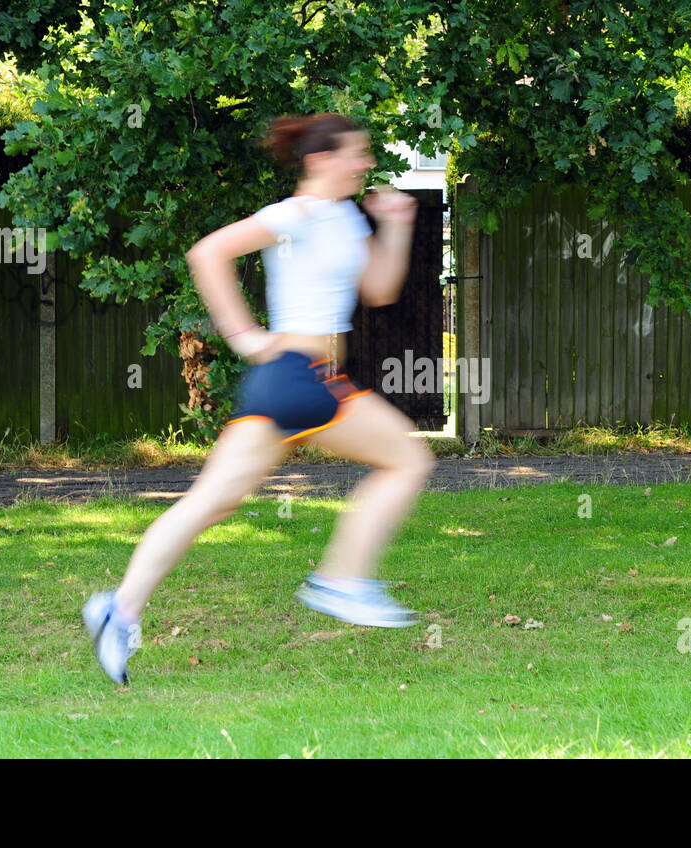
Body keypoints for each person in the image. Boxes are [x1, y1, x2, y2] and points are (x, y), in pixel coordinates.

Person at [81, 113, 437, 684]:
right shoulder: (295, 213)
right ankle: (342, 578)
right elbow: (208, 253)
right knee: (408, 459)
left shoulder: (345, 218)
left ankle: (117, 610)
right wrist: (245, 337)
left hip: (296, 384)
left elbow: (379, 289)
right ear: (321, 160)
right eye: (356, 153)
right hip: (305, 376)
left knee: (211, 502)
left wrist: (394, 225)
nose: (366, 163)